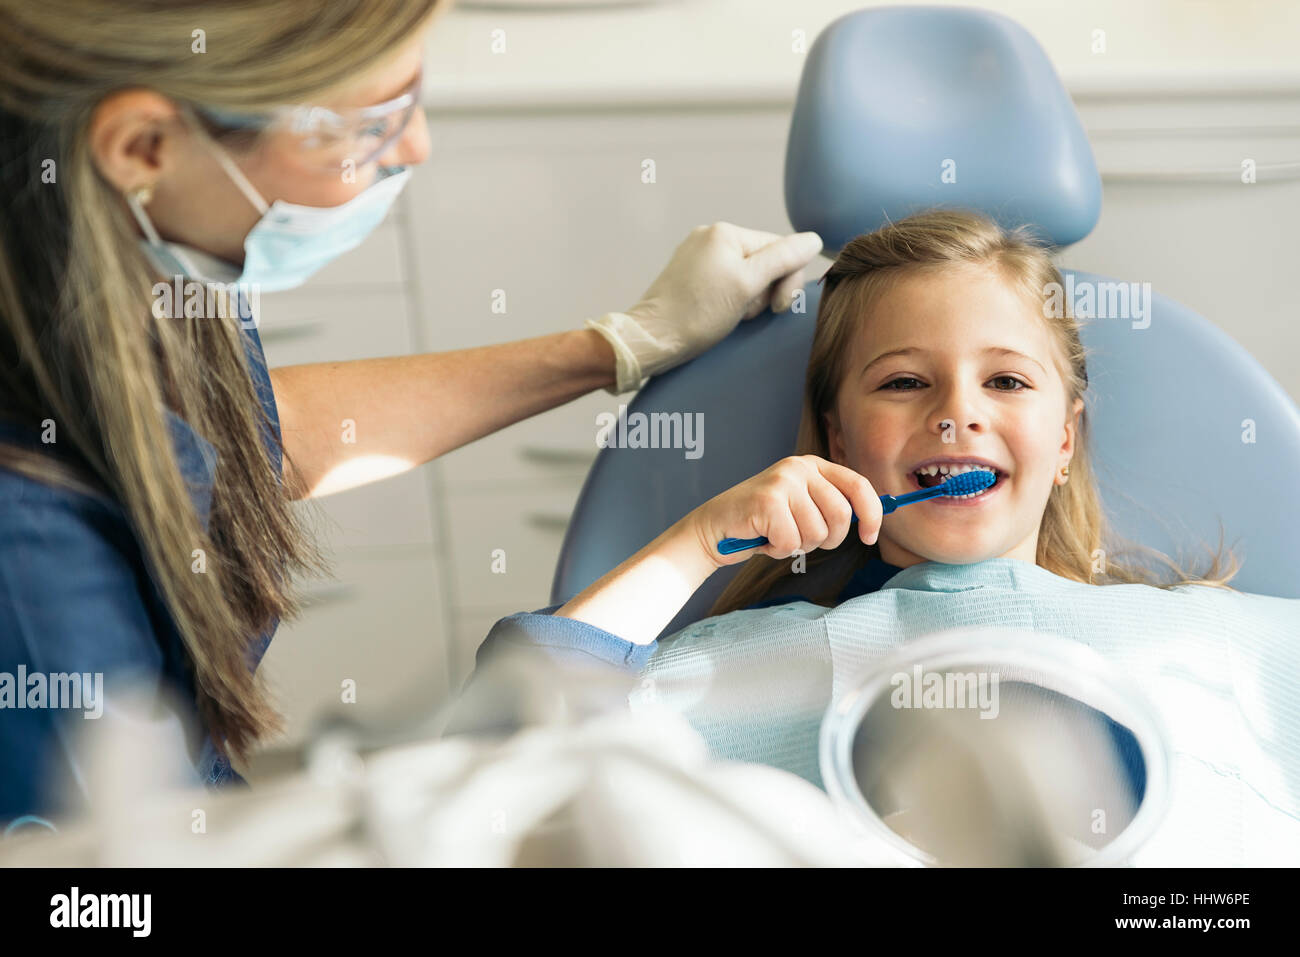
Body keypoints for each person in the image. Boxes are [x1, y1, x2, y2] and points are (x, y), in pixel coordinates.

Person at [0, 0, 824, 829]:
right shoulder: (32, 572)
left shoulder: (141, 256)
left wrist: (618, 345)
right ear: (144, 146)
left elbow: (240, 434)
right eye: (371, 123)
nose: (417, 146)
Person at [481, 208, 1241, 658]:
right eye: (905, 382)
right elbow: (518, 726)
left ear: (1066, 441)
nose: (958, 412)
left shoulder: (1192, 640)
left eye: (1006, 381)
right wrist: (702, 539)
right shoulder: (765, 661)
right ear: (838, 444)